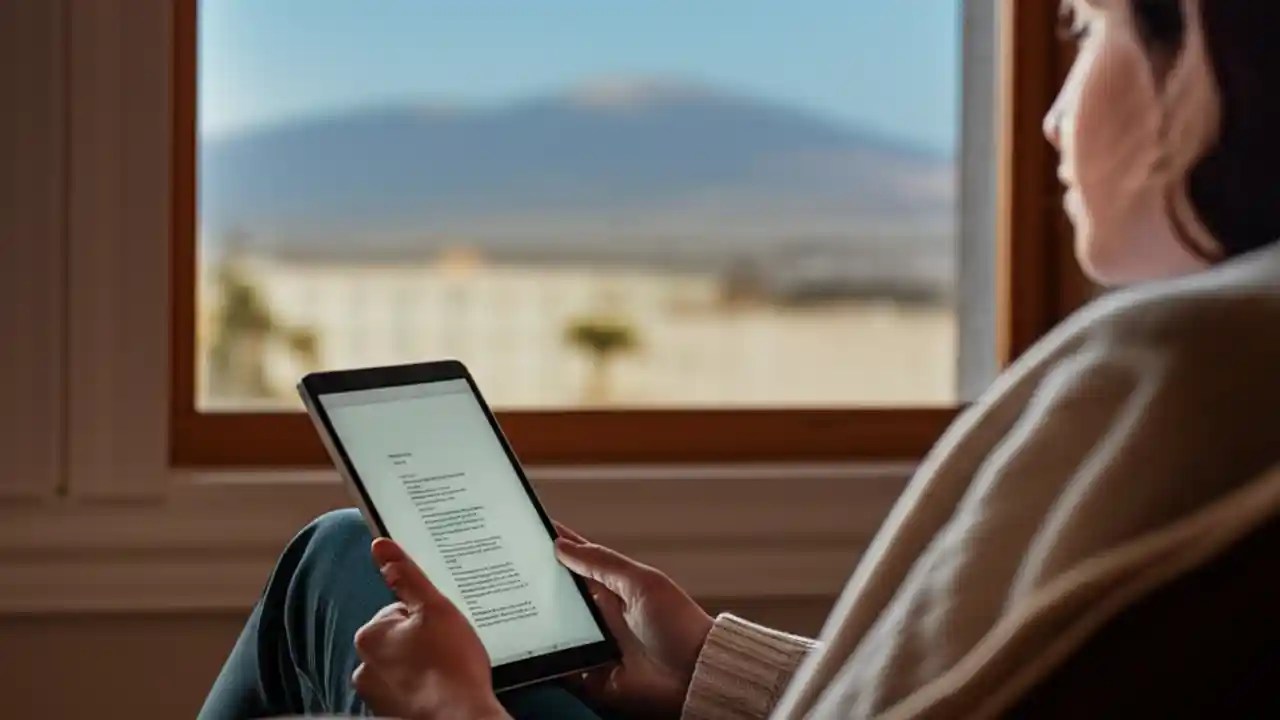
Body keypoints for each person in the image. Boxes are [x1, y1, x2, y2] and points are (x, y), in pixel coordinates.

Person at [200, 0, 1280, 717]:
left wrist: (458, 714)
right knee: (352, 550)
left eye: (1084, 28)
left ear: (1203, 48)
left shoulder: (1187, 374)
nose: (1048, 115)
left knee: (339, 569)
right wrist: (708, 667)